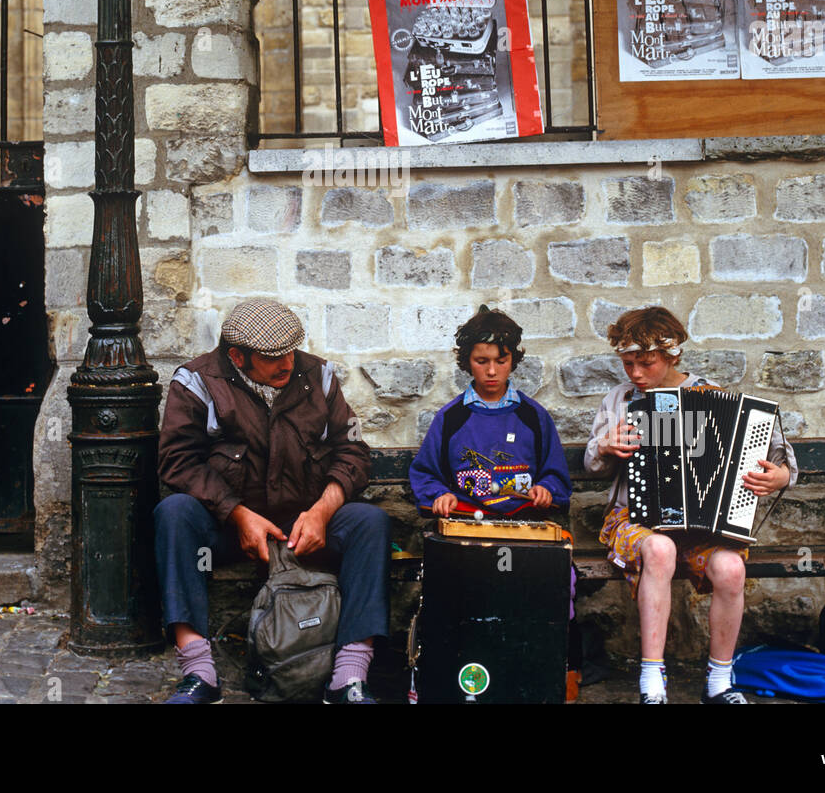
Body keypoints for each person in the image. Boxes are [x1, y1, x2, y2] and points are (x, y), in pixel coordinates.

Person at [154, 298, 390, 704]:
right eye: (272, 358)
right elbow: (177, 462)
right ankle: (199, 672)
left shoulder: (319, 377)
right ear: (237, 356)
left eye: (291, 352)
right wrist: (237, 514)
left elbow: (353, 452)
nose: (286, 363)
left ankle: (349, 675)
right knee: (173, 514)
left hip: (307, 530)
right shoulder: (196, 382)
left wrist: (321, 512)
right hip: (230, 531)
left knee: (371, 522)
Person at [584, 306, 797, 705]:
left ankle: (719, 681)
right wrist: (604, 446)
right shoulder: (620, 400)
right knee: (660, 549)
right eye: (628, 363)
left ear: (672, 355)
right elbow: (592, 463)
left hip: (702, 527)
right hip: (634, 521)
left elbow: (781, 454)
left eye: (645, 363)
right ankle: (652, 680)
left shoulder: (711, 395)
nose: (635, 374)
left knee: (732, 568)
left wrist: (781, 476)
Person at [410, 307, 571, 520]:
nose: (492, 371)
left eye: (501, 361)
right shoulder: (450, 418)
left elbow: (555, 473)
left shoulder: (534, 416)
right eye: (482, 361)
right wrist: (440, 495)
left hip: (524, 519)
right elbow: (426, 473)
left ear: (513, 360)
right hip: (465, 519)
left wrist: (546, 489)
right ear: (468, 361)